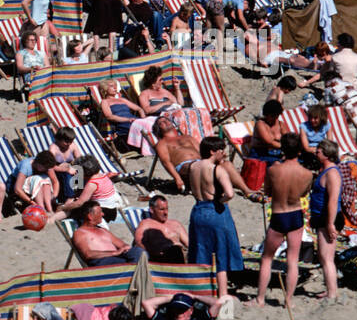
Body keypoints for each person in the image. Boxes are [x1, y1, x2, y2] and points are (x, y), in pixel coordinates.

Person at [188, 135, 255, 299]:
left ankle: (203, 292)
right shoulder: (217, 169)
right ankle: (223, 293)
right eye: (221, 150)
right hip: (215, 211)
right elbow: (230, 193)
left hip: (198, 210)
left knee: (201, 252)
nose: (224, 154)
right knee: (221, 253)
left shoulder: (193, 167)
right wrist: (220, 200)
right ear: (212, 151)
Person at [253, 133, 312, 310]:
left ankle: (260, 299)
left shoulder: (273, 170)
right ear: (299, 151)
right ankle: (288, 300)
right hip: (295, 215)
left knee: (267, 258)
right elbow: (303, 194)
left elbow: (268, 191)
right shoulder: (307, 173)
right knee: (292, 260)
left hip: (279, 214)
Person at [309, 141, 343, 304]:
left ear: (327, 154)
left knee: (326, 256)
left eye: (319, 151)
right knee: (323, 256)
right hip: (321, 217)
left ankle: (332, 292)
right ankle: (330, 289)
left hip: (328, 218)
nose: (316, 153)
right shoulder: (324, 170)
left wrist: (330, 224)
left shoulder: (332, 173)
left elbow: (333, 200)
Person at [71, 201, 143, 266]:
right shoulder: (80, 233)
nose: (103, 214)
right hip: (103, 261)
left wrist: (125, 248)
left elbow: (122, 245)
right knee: (133, 261)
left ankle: (133, 272)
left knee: (139, 251)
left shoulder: (103, 230)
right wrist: (114, 253)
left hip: (119, 258)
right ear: (90, 216)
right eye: (100, 212)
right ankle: (134, 273)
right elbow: (88, 254)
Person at [132, 193, 189, 263]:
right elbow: (138, 242)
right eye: (161, 209)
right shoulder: (146, 224)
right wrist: (153, 252)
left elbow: (189, 243)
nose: (165, 212)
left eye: (167, 209)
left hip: (182, 256)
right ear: (152, 210)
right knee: (175, 250)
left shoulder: (175, 224)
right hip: (161, 259)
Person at [151, 117, 200, 194]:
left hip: (200, 163)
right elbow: (166, 162)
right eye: (162, 123)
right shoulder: (162, 143)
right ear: (159, 129)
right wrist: (177, 178)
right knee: (196, 166)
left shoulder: (187, 137)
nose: (166, 122)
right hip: (184, 166)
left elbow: (202, 151)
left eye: (167, 120)